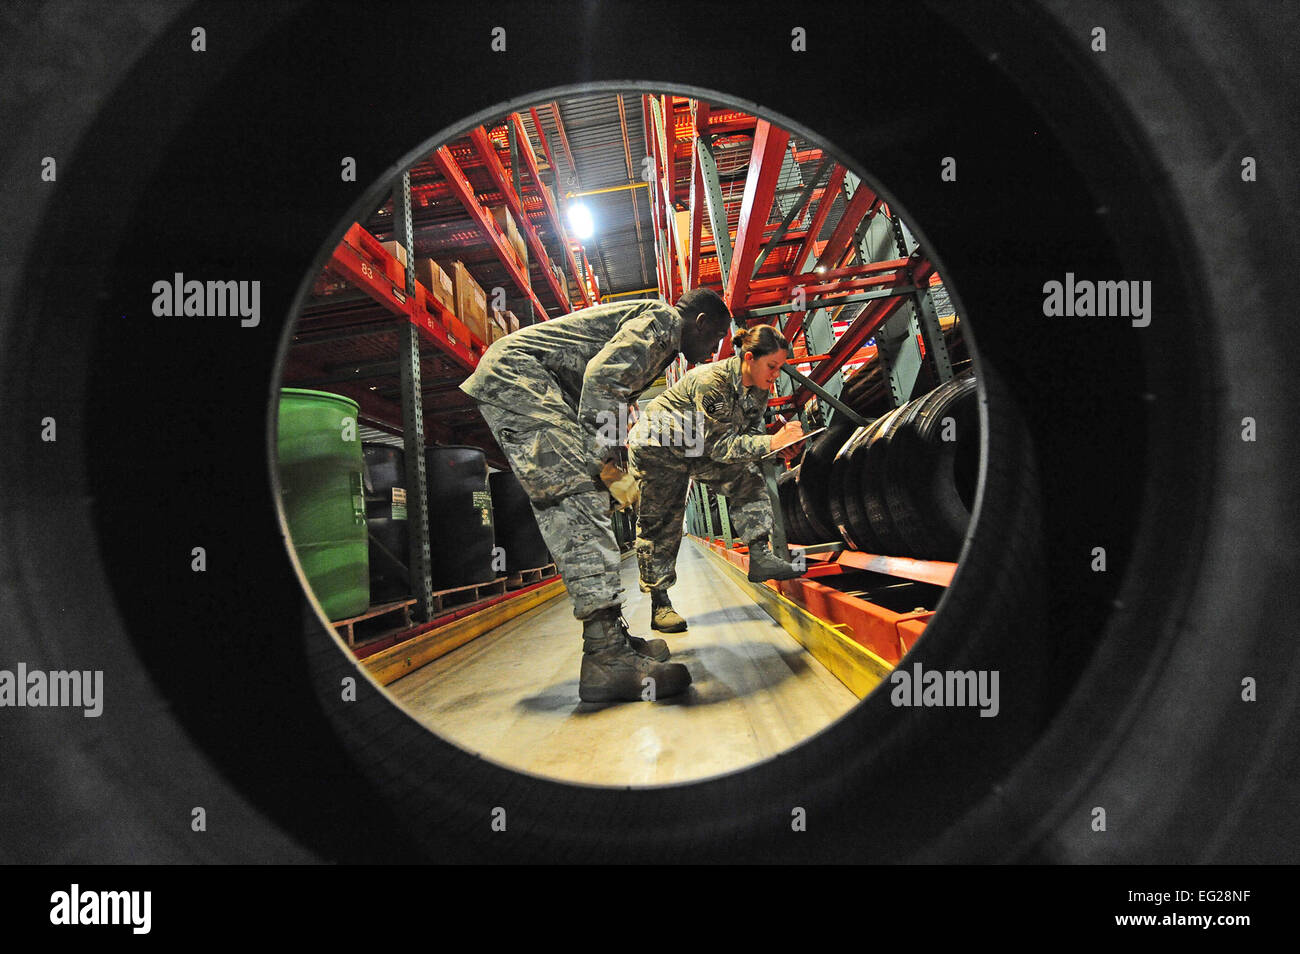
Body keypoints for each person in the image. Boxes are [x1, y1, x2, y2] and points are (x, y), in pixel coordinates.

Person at [459, 289, 731, 703]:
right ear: (701, 322)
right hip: (520, 379)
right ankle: (605, 656)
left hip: (532, 383)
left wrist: (611, 458)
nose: (713, 351)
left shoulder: (659, 336)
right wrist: (600, 463)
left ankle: (612, 641)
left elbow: (612, 393)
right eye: (716, 339)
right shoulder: (662, 323)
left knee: (587, 489)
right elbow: (604, 381)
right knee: (578, 496)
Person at [628, 324, 806, 634]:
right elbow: (722, 447)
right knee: (662, 522)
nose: (776, 375)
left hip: (696, 446)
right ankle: (660, 605)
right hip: (658, 448)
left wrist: (777, 449)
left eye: (780, 368)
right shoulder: (712, 382)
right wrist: (771, 443)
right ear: (749, 358)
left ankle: (760, 556)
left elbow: (750, 435)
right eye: (772, 366)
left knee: (747, 476)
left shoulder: (760, 388)